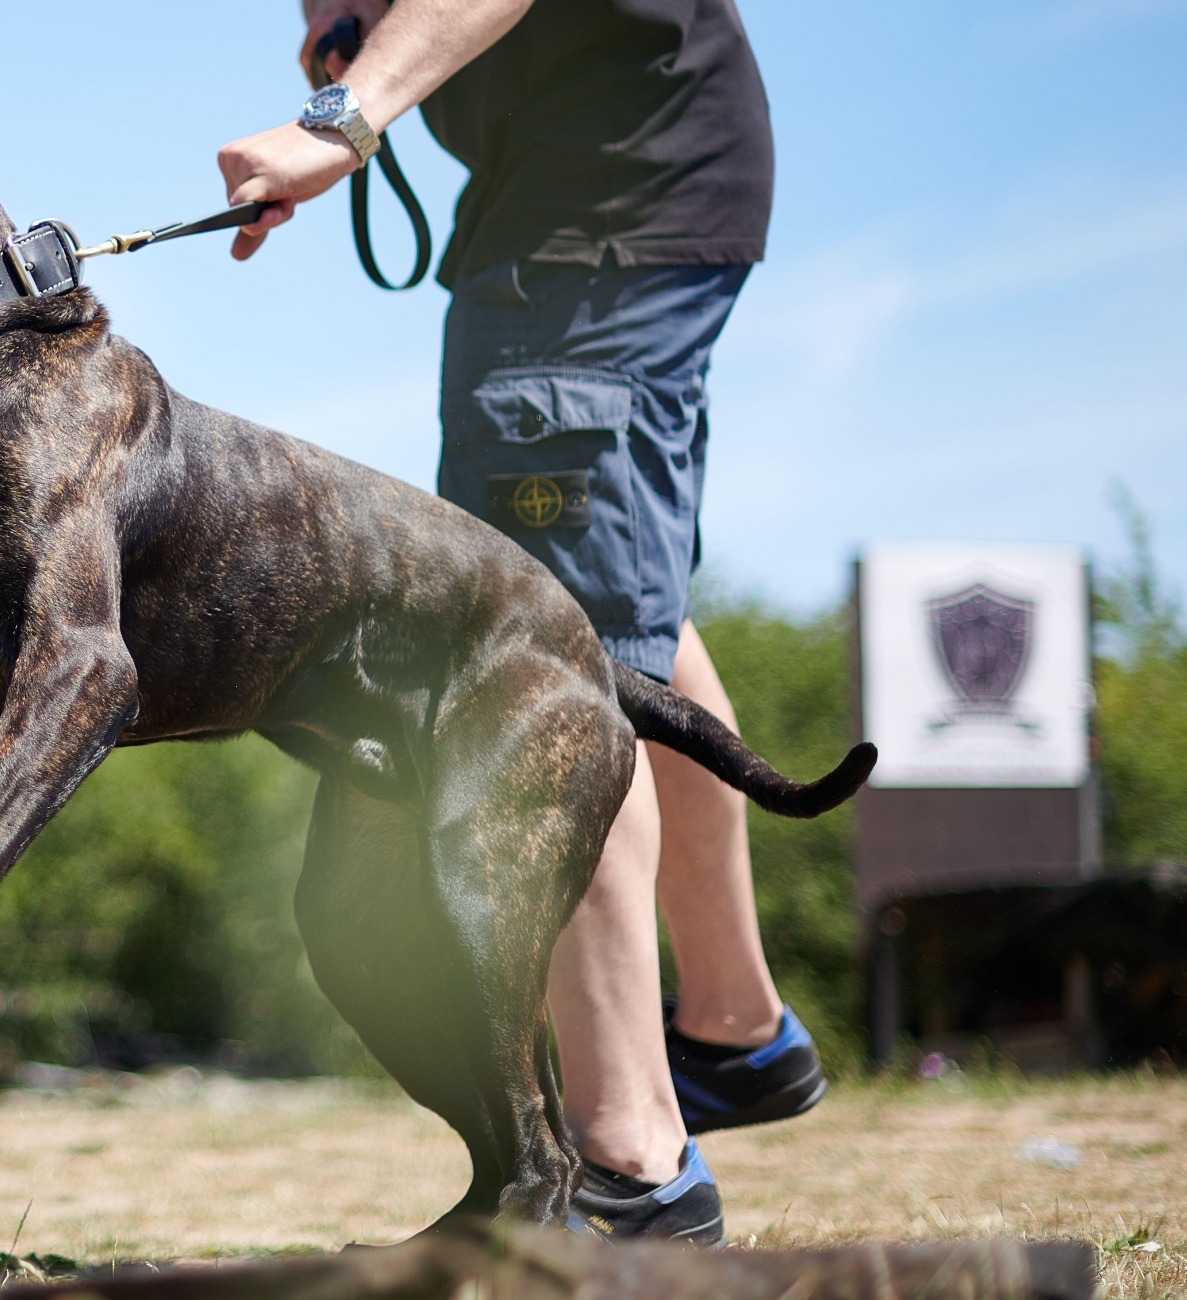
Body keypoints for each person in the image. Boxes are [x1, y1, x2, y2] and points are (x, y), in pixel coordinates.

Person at [216, 0, 826, 1243]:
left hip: (598, 214)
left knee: (542, 674)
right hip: (596, 204)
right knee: (616, 632)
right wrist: (348, 24)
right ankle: (733, 1029)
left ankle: (632, 1166)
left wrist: (345, 115)